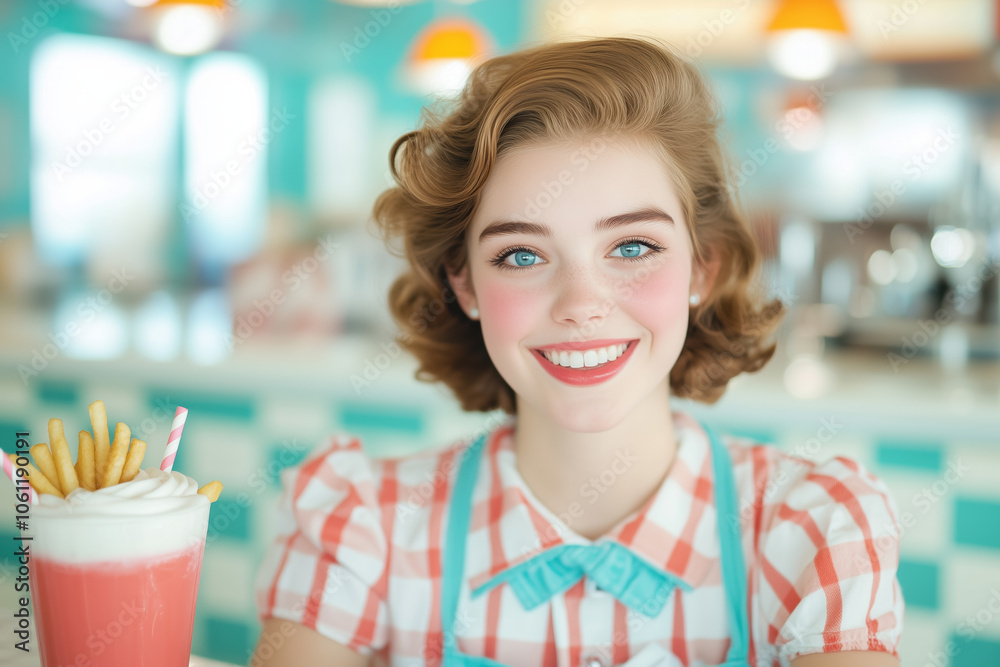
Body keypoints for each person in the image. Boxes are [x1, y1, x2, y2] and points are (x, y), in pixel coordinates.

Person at [251, 36, 904, 667]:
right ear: (466, 284)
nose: (581, 303)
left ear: (702, 269)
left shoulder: (813, 528)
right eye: (522, 255)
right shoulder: (359, 523)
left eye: (632, 247)